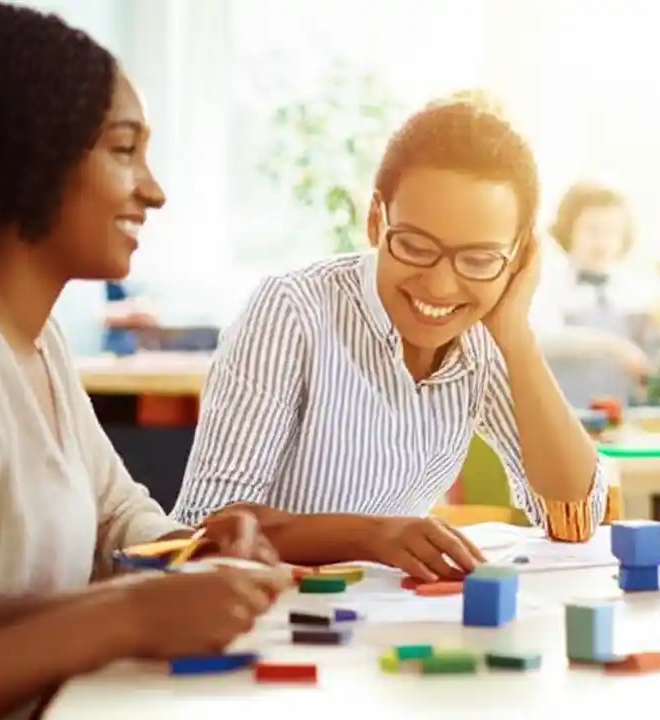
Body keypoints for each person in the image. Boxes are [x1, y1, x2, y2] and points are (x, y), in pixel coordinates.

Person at [173, 97, 609, 582]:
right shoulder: (294, 311)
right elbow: (205, 529)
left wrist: (516, 335)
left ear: (520, 254)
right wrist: (369, 535)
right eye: (416, 247)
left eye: (480, 259)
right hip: (260, 617)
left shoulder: (483, 336)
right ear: (376, 220)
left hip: (375, 628)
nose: (441, 287)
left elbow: (575, 518)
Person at [0, 4, 284, 715]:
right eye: (124, 151)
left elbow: (120, 519)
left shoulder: (42, 345)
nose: (153, 190)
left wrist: (195, 550)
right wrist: (132, 615)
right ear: (31, 148)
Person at [533, 182, 660, 408]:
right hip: (561, 415)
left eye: (612, 232)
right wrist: (610, 345)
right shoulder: (546, 280)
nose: (602, 241)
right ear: (568, 230)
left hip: (616, 417)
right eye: (592, 230)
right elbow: (540, 340)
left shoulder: (633, 288)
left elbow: (650, 359)